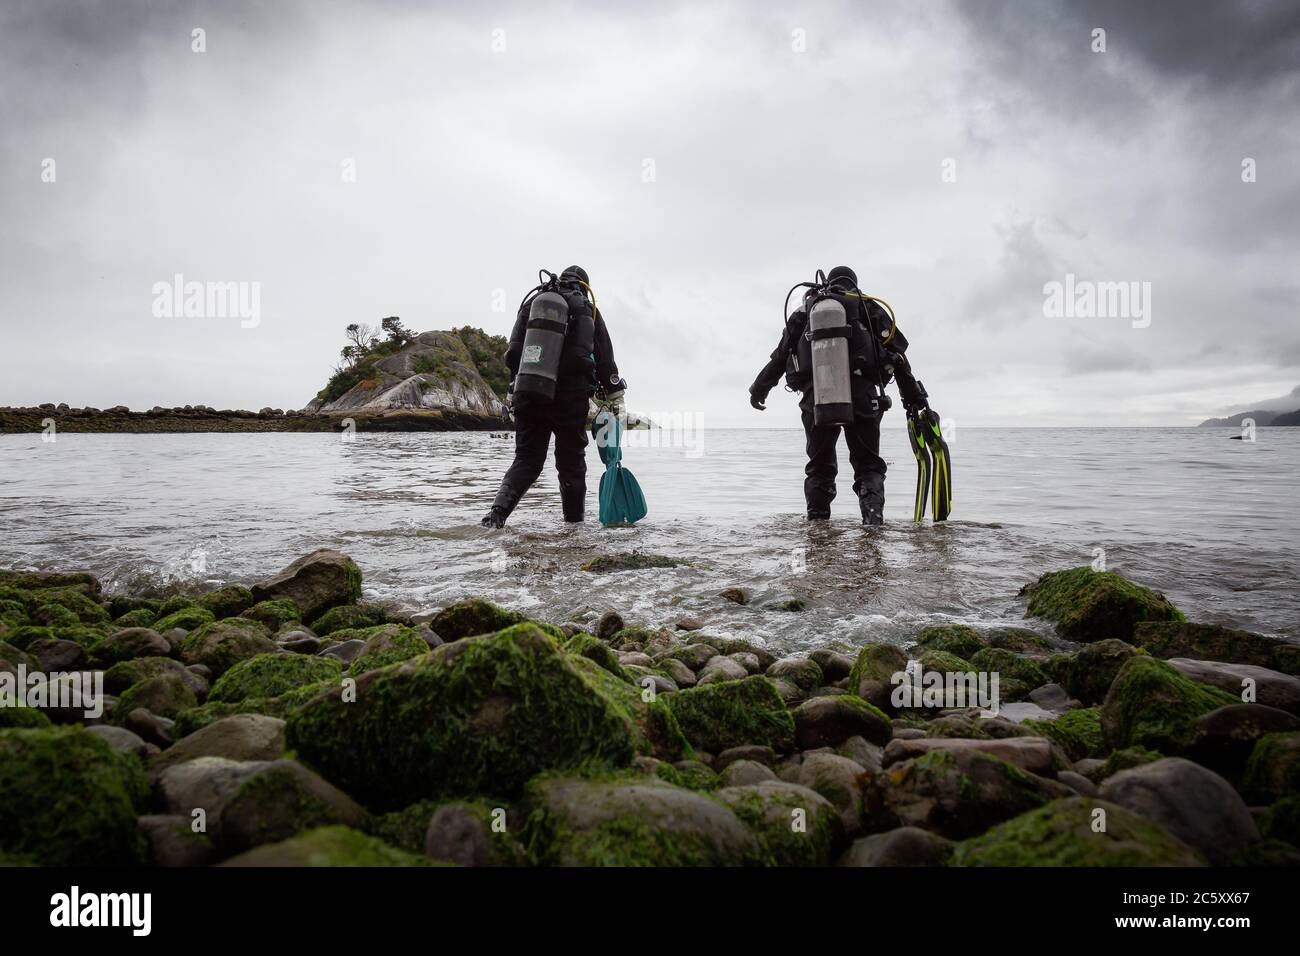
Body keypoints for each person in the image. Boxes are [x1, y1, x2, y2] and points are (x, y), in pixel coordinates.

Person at [748, 266, 932, 524]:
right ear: (853, 283)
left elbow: (780, 356)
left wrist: (759, 389)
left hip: (817, 400)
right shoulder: (868, 308)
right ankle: (872, 527)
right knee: (868, 466)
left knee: (820, 468)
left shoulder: (807, 311)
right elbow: (898, 357)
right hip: (863, 398)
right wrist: (914, 398)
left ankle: (818, 528)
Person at [481, 265, 626, 528]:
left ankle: (495, 516)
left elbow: (514, 353)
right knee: (570, 462)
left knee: (527, 459)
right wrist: (616, 399)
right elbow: (604, 358)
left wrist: (513, 390)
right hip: (570, 397)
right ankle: (574, 528)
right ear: (585, 285)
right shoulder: (586, 307)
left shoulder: (534, 303)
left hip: (529, 392)